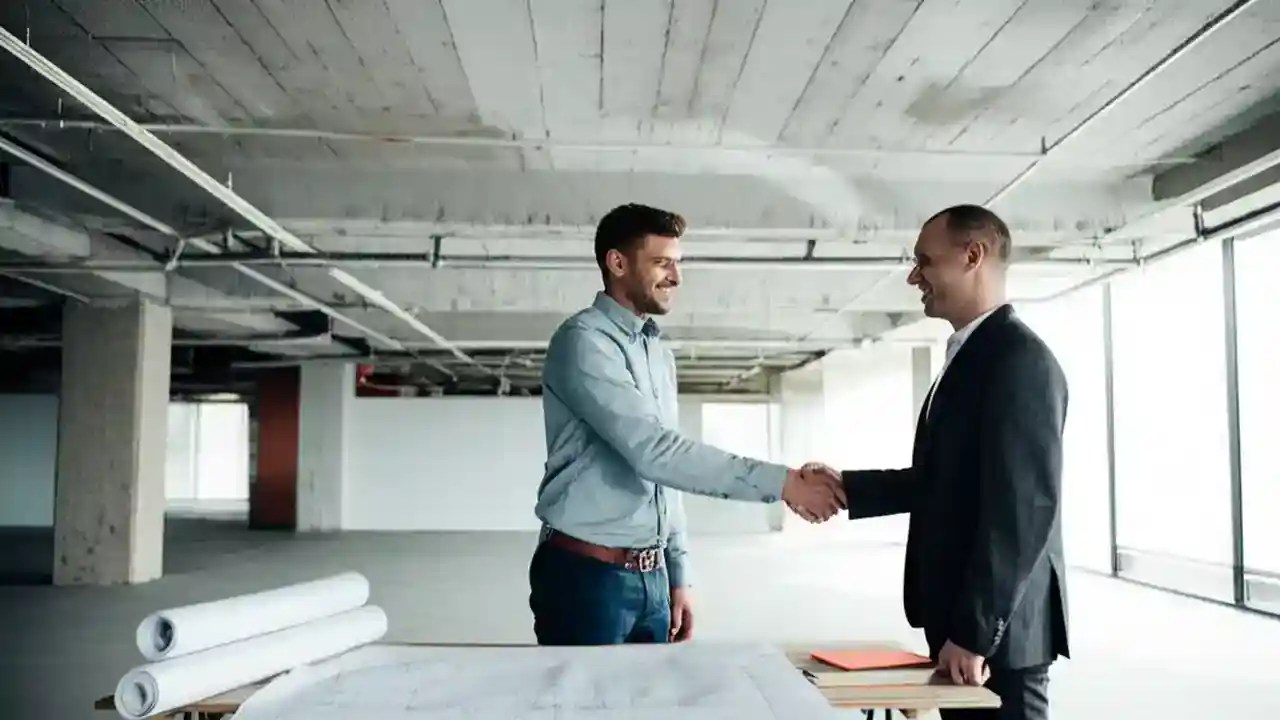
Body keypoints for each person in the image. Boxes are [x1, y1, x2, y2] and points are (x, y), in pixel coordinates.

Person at [530, 203, 845, 646]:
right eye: (662, 262)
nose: (676, 277)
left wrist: (677, 573)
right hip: (587, 577)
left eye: (678, 263)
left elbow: (666, 474)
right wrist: (784, 483)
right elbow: (654, 453)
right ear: (617, 263)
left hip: (652, 579)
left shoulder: (657, 352)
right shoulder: (583, 341)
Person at [809, 205, 1069, 720]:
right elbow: (945, 481)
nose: (913, 276)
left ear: (972, 256)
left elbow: (1023, 510)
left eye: (923, 261)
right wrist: (848, 488)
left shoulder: (1019, 360)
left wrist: (973, 634)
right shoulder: (972, 356)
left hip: (997, 638)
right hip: (966, 628)